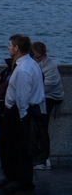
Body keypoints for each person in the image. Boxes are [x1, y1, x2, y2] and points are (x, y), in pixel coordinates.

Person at [0, 33, 44, 195]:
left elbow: (22, 97)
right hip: (23, 111)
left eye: (10, 45)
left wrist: (21, 117)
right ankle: (15, 178)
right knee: (16, 146)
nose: (8, 48)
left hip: (19, 113)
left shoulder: (23, 69)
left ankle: (20, 181)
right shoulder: (30, 64)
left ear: (16, 48)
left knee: (18, 147)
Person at [32, 41, 62, 170]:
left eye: (37, 57)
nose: (35, 59)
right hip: (41, 96)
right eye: (33, 56)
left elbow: (46, 87)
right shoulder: (35, 63)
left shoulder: (50, 67)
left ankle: (43, 159)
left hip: (50, 97)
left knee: (42, 126)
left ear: (44, 55)